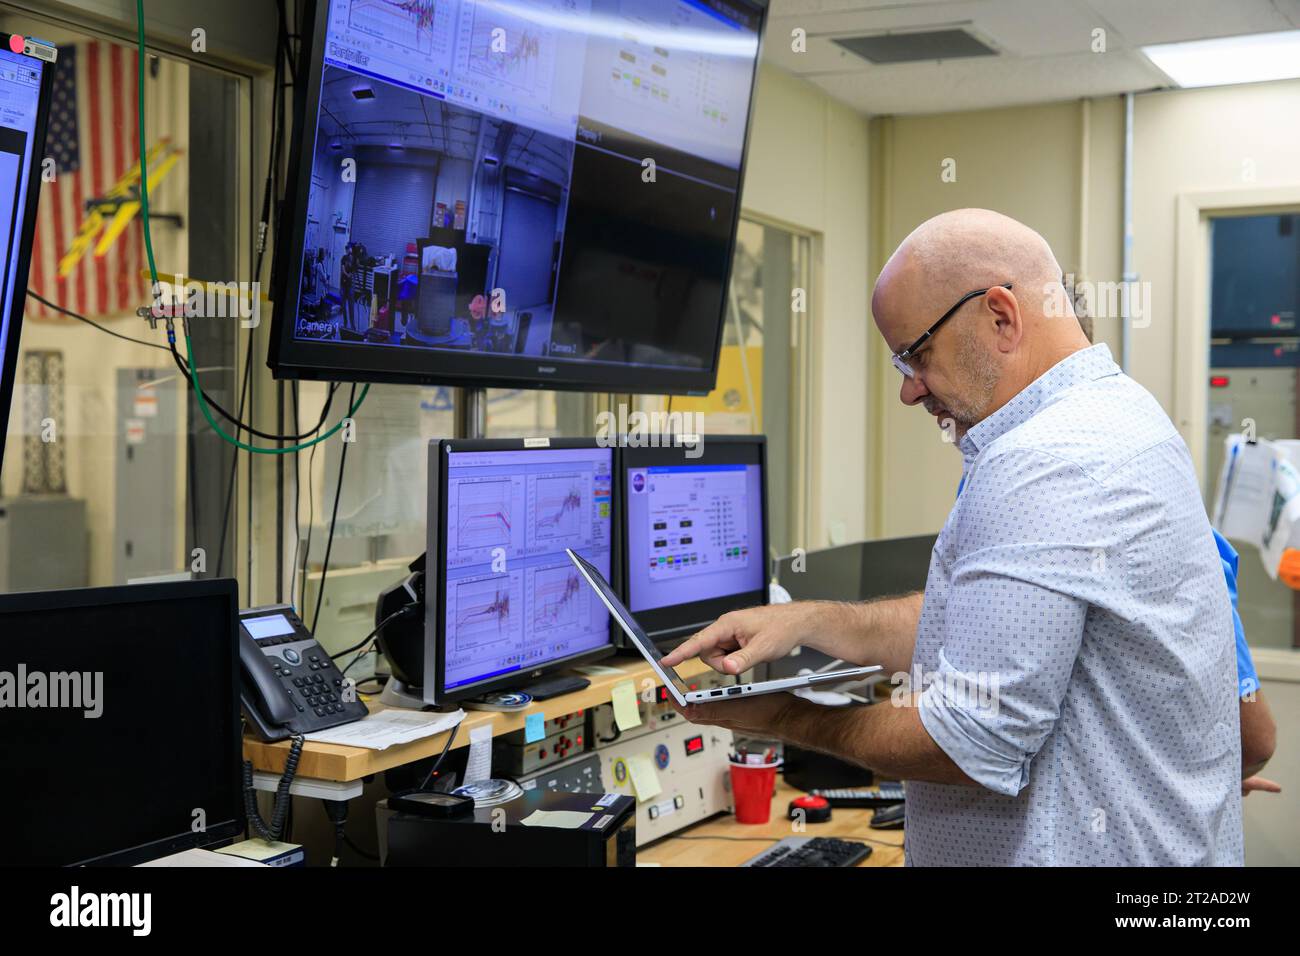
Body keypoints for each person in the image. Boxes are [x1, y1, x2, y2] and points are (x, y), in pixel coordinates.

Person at [663, 208, 1244, 865]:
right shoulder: (1118, 414)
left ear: (1000, 315)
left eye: (916, 354)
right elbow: (994, 621)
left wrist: (781, 718)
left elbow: (970, 742)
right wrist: (814, 620)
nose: (910, 392)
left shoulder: (1046, 458)